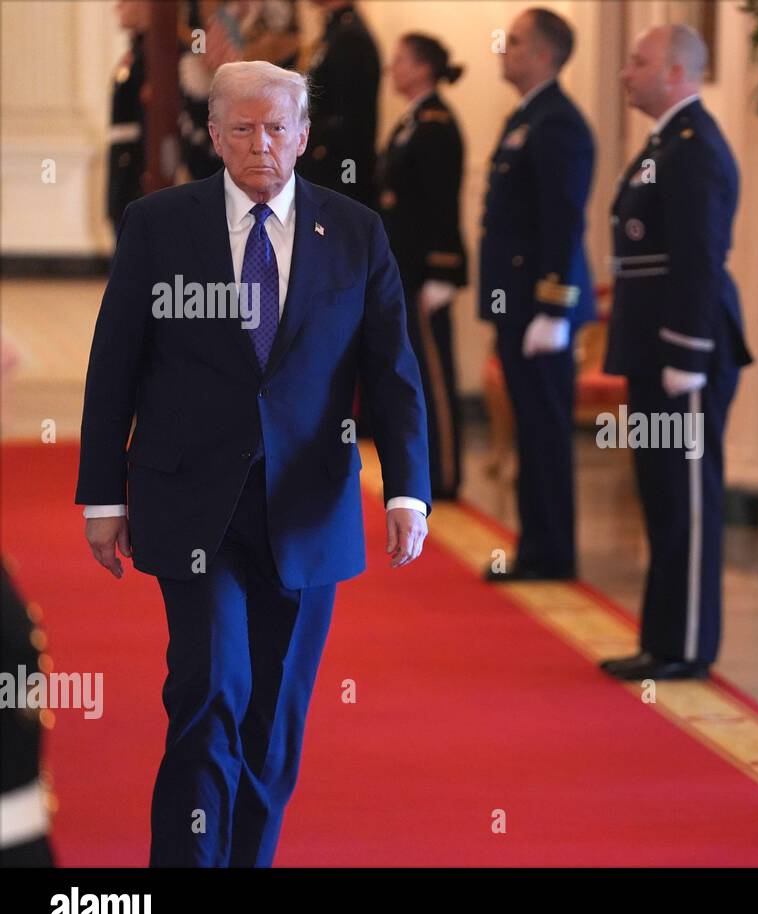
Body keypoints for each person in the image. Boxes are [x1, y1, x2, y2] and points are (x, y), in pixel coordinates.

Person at [75, 60, 431, 866]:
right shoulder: (159, 224)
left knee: (273, 719)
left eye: (277, 128)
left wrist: (409, 488)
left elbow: (393, 372)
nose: (261, 144)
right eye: (242, 128)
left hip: (306, 510)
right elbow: (114, 363)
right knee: (207, 693)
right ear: (215, 135)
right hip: (190, 502)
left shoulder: (355, 232)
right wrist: (103, 493)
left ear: (304, 136)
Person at [598, 25, 751, 682]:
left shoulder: (694, 148)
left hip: (682, 349)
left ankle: (686, 641)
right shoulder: (667, 142)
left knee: (686, 497)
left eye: (640, 63)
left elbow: (698, 257)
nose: (627, 73)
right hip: (653, 345)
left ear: (679, 73)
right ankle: (662, 637)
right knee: (661, 495)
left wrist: (686, 352)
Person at [479, 8, 594, 582]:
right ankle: (537, 544)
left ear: (545, 55)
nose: (505, 47)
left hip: (539, 305)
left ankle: (551, 553)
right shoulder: (527, 117)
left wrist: (553, 305)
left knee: (545, 428)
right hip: (520, 301)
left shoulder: (558, 124)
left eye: (517, 41)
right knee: (531, 424)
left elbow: (562, 222)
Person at [378, 33, 468, 500]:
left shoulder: (435, 124)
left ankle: (446, 472)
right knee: (415, 375)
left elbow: (440, 203)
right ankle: (428, 470)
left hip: (425, 273)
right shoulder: (412, 121)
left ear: (422, 68)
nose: (392, 70)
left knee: (434, 374)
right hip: (406, 269)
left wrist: (443, 271)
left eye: (400, 62)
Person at [296, 0, 379, 209]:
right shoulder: (334, 33)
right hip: (322, 166)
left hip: (336, 169)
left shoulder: (350, 37)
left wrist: (346, 182)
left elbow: (352, 121)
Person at [107, 0, 150, 237]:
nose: (118, 8)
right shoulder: (135, 53)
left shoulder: (154, 55)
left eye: (125, 2)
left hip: (136, 169)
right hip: (123, 167)